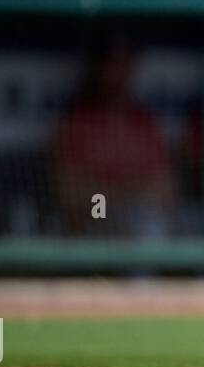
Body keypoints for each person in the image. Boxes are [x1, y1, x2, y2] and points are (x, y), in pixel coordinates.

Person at [52, 42, 174, 237]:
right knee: (129, 222)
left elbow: (165, 190)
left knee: (151, 223)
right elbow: (70, 194)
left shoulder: (144, 121)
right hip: (93, 218)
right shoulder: (76, 123)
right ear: (97, 67)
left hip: (135, 216)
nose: (118, 73)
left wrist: (107, 191)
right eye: (111, 64)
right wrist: (130, 192)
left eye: (124, 63)